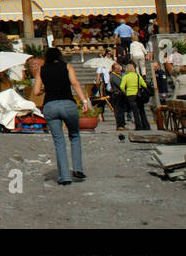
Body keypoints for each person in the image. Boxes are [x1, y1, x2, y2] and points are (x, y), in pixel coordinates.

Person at [32, 45, 93, 185]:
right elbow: (75, 83)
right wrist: (84, 101)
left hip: (50, 106)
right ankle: (77, 168)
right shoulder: (67, 67)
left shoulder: (42, 69)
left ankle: (65, 176)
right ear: (60, 56)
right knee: (75, 135)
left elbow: (35, 92)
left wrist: (44, 90)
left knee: (59, 141)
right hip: (67, 104)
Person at [119, 64, 151, 130]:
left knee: (135, 111)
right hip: (139, 95)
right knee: (142, 110)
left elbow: (121, 86)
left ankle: (138, 126)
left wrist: (125, 91)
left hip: (130, 95)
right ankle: (146, 126)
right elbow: (144, 85)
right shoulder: (138, 76)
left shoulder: (125, 77)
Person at [107, 62, 127, 131]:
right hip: (116, 94)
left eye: (119, 69)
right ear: (113, 69)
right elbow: (120, 84)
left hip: (121, 95)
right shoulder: (113, 76)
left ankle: (123, 124)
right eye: (117, 69)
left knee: (121, 110)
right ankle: (119, 125)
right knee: (118, 111)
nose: (119, 70)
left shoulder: (120, 75)